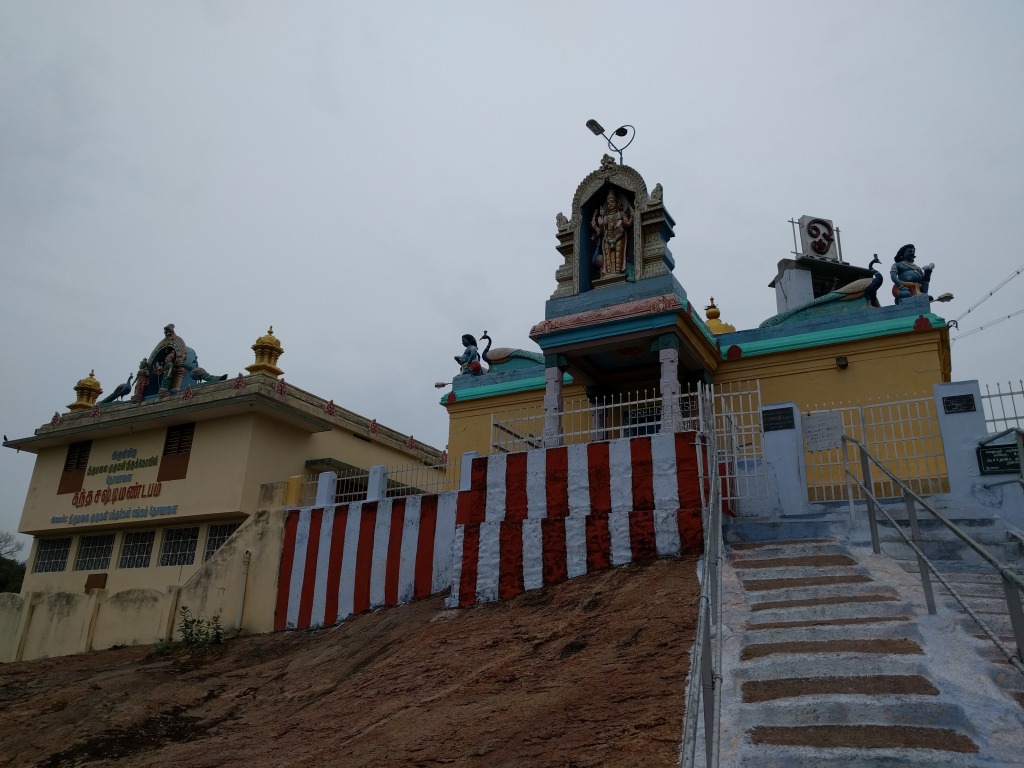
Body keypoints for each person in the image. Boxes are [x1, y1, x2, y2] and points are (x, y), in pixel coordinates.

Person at [590, 189, 633, 277]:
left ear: (618, 203)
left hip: (619, 237)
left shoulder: (620, 214)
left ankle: (618, 272)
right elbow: (601, 232)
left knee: (618, 255)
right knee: (607, 258)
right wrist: (601, 224)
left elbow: (628, 224)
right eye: (608, 202)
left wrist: (626, 220)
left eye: (612, 202)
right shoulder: (605, 217)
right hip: (607, 239)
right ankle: (608, 274)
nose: (609, 204)